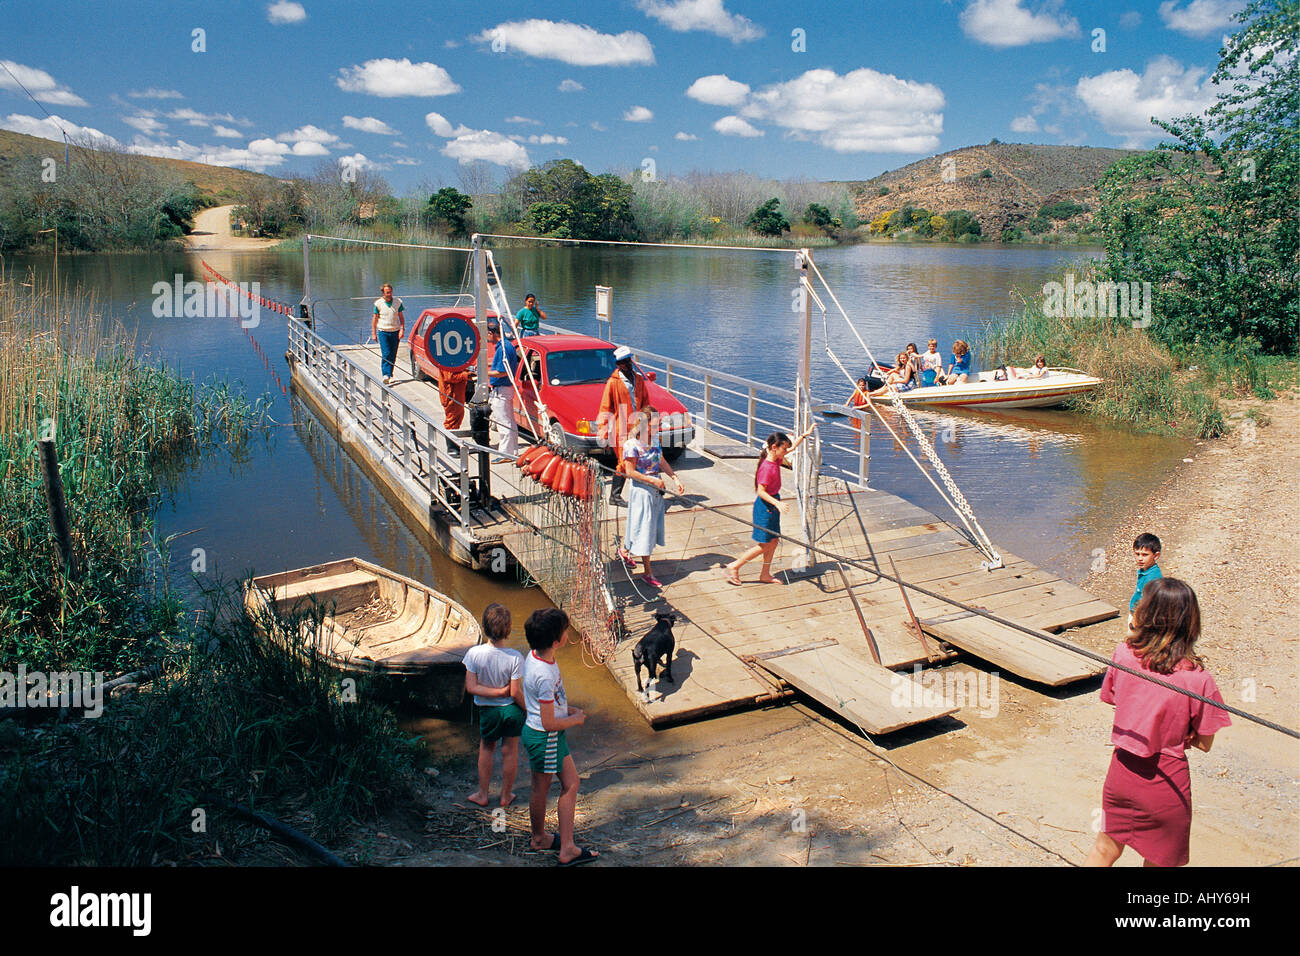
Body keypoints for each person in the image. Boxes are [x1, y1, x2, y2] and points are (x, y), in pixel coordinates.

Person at [1084, 578, 1230, 867]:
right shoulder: (1198, 679)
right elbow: (1204, 743)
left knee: (1104, 849)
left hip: (1122, 772)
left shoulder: (1123, 654)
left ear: (1147, 615)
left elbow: (1112, 696)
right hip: (1165, 781)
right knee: (1160, 861)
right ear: (1190, 622)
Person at [522, 607, 598, 866]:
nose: (568, 633)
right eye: (565, 631)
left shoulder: (535, 655)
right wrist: (575, 719)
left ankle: (540, 838)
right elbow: (549, 722)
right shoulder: (544, 674)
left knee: (554, 785)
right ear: (556, 641)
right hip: (547, 737)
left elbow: (548, 703)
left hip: (539, 733)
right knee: (564, 785)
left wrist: (569, 709)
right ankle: (566, 848)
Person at [723, 425, 815, 586]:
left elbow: (792, 448)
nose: (786, 452)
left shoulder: (776, 458)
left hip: (772, 504)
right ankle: (734, 566)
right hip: (765, 507)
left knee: (773, 541)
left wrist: (804, 435)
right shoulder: (767, 468)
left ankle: (765, 574)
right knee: (766, 544)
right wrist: (777, 503)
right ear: (774, 447)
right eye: (783, 449)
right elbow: (761, 491)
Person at [463, 603, 525, 809]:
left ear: (484, 628)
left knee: (487, 749)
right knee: (510, 750)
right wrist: (530, 710)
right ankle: (506, 795)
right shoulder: (515, 657)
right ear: (508, 631)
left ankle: (483, 794)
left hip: (488, 711)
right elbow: (515, 692)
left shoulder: (473, 654)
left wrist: (496, 693)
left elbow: (471, 687)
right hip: (512, 710)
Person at [616, 408, 684, 589]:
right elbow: (630, 472)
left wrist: (674, 477)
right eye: (654, 425)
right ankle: (647, 572)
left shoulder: (654, 440)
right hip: (642, 491)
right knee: (645, 529)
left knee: (641, 524)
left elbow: (661, 461)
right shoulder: (631, 445)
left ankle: (624, 550)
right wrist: (652, 480)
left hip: (655, 490)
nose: (657, 428)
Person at [597, 345, 650, 506]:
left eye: (629, 360)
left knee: (638, 460)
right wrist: (603, 433)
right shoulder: (613, 383)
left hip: (638, 428)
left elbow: (646, 402)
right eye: (624, 362)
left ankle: (641, 492)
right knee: (623, 461)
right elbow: (605, 408)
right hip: (621, 429)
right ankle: (615, 496)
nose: (628, 364)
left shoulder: (638, 379)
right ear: (618, 365)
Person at [486, 320, 519, 460]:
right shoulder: (507, 346)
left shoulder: (502, 349)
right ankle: (513, 450)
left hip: (501, 390)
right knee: (510, 422)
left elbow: (502, 372)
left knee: (503, 423)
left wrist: (483, 372)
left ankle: (505, 453)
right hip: (507, 389)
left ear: (491, 333)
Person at [370, 283, 405, 384]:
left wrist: (402, 329)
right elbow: (375, 319)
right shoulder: (378, 303)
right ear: (383, 293)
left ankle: (390, 374)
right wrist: (373, 333)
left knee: (393, 354)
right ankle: (385, 374)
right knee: (386, 353)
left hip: (395, 331)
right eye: (387, 292)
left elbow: (401, 317)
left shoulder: (398, 302)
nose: (389, 294)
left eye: (390, 292)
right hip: (383, 331)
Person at [1129, 532, 1163, 626]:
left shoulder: (1153, 577)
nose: (1140, 558)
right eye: (1137, 554)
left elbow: (1149, 601)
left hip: (1142, 616)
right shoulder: (1145, 570)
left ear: (1156, 556)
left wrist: (1136, 618)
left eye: (1145, 555)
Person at [438, 365, 471, 430]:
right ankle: (450, 435)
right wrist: (466, 374)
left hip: (456, 394)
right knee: (452, 421)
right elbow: (450, 377)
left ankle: (453, 434)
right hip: (452, 395)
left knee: (457, 417)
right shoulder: (447, 361)